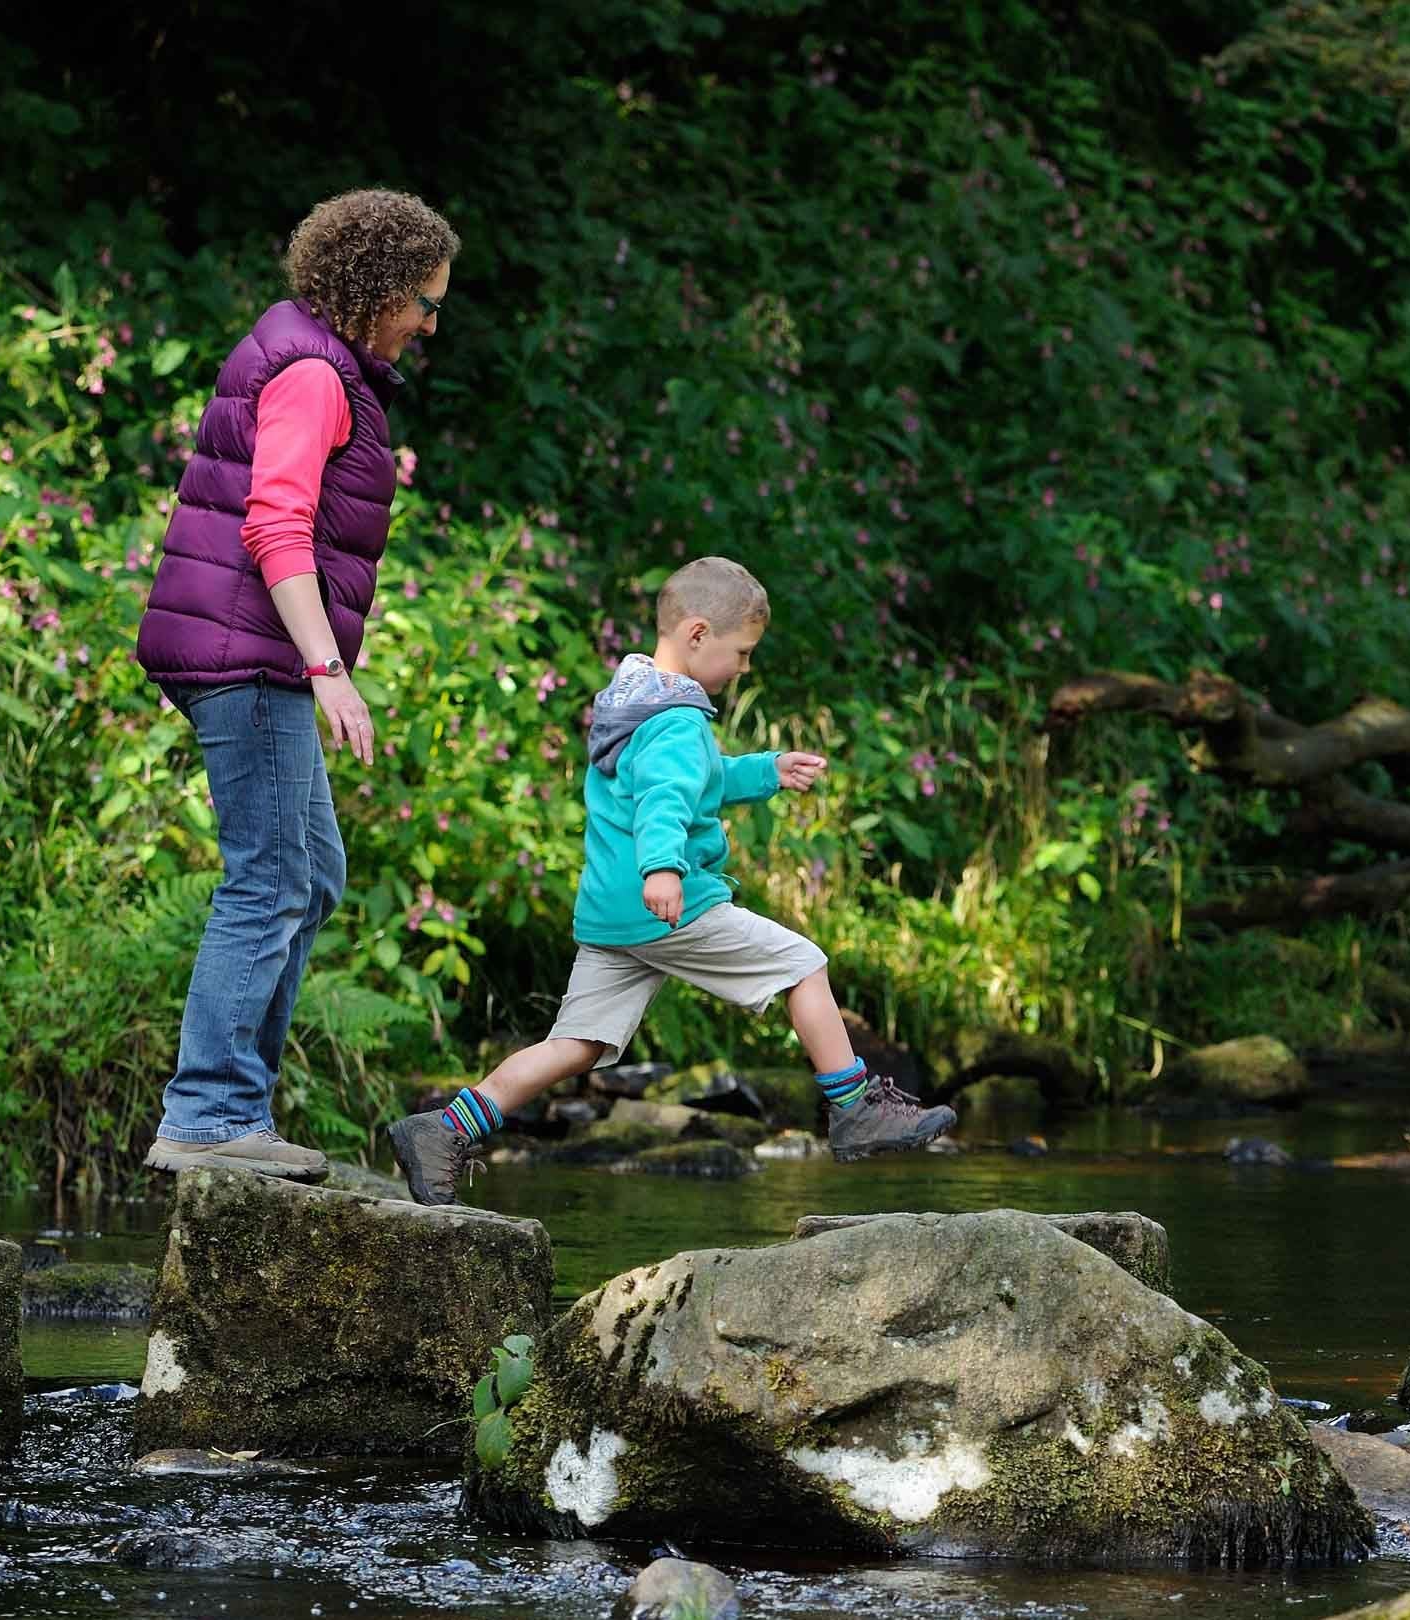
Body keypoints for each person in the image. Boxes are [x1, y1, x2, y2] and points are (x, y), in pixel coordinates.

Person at [384, 557, 956, 1204]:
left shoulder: (633, 699)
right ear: (697, 634)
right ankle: (855, 1108)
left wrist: (767, 770)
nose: (743, 669)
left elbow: (692, 780)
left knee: (574, 1045)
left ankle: (443, 1129)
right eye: (740, 654)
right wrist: (663, 867)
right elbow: (664, 799)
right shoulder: (679, 721)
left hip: (610, 913)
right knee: (804, 966)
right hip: (665, 902)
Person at [132, 189, 458, 1178]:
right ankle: (210, 1118)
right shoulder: (314, 373)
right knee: (270, 879)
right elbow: (272, 526)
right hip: (257, 656)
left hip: (241, 652)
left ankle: (237, 1113)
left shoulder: (312, 357)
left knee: (310, 876)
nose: (430, 325)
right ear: (376, 290)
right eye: (425, 302)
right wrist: (328, 672)